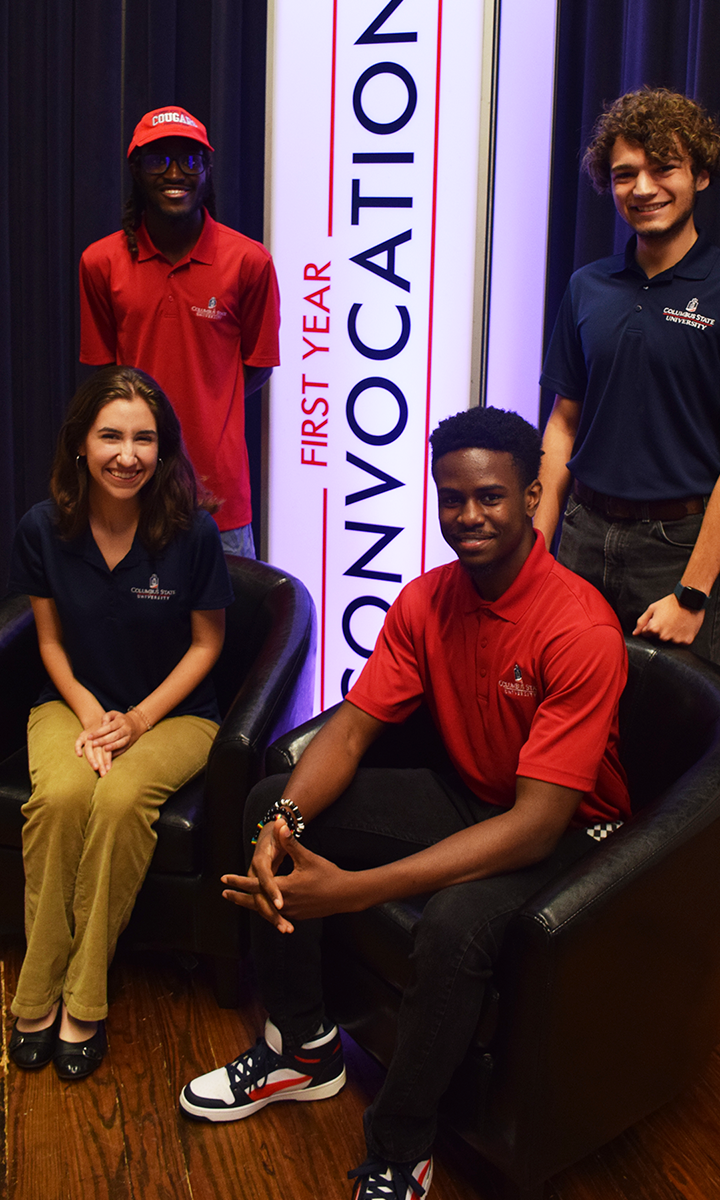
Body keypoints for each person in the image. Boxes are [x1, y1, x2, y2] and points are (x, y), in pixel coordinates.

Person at [179, 407, 630, 1200]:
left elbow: (535, 825)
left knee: (454, 927)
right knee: (269, 797)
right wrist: (283, 825)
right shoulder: (426, 600)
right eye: (451, 498)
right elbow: (350, 733)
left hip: (570, 832)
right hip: (475, 795)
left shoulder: (578, 626)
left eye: (489, 497)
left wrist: (350, 890)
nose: (468, 517)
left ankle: (399, 1148)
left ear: (531, 496)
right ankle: (302, 1050)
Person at [8, 365, 234, 1080]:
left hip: (174, 715)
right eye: (110, 435)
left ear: (163, 448)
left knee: (116, 804)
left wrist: (134, 722)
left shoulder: (191, 531)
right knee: (62, 798)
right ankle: (35, 990)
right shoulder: (42, 528)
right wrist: (89, 714)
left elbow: (208, 645)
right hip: (71, 702)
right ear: (80, 442)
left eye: (145, 438)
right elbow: (46, 643)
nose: (127, 454)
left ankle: (83, 999)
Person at [536, 87, 720, 669]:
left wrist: (692, 593)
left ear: (698, 174)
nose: (643, 188)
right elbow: (562, 426)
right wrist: (537, 549)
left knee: (671, 746)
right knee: (568, 721)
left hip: (676, 553)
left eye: (663, 167)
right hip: (580, 537)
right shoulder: (586, 287)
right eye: (625, 174)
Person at [79, 106, 280, 558]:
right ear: (136, 170)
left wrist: (208, 404)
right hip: (130, 483)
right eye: (158, 160)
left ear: (206, 170)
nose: (175, 173)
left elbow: (258, 366)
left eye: (190, 160)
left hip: (219, 493)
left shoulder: (249, 262)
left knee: (231, 627)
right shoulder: (99, 262)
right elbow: (103, 375)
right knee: (132, 626)